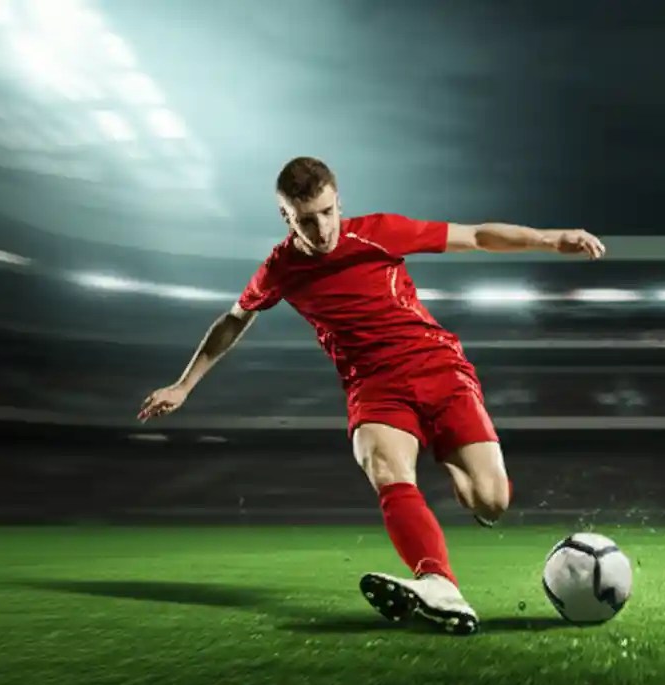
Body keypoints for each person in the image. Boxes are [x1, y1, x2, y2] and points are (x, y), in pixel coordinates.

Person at [137, 156, 605, 634]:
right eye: (305, 219)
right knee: (384, 467)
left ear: (339, 203)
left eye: (326, 213)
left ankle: (451, 462)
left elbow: (477, 235)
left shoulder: (380, 232)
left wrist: (552, 238)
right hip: (374, 386)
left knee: (491, 501)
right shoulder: (280, 269)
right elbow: (234, 318)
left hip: (439, 368)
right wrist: (184, 384)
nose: (320, 229)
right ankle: (438, 582)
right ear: (285, 218)